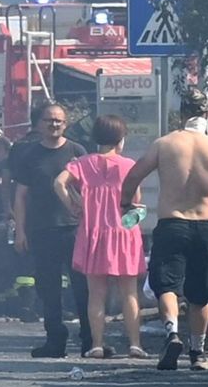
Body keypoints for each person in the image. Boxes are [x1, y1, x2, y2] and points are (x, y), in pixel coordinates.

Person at [122, 92, 208, 372]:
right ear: (207, 115)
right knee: (200, 293)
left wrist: (127, 204)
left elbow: (133, 176)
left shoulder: (165, 144)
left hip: (171, 223)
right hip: (203, 226)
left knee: (167, 285)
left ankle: (172, 333)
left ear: (181, 115)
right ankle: (198, 353)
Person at [57, 115, 146, 360]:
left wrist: (73, 205)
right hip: (123, 231)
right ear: (121, 139)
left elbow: (59, 183)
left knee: (96, 292)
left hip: (93, 231)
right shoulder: (129, 165)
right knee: (129, 291)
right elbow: (135, 200)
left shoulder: (82, 163)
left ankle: (96, 344)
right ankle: (135, 344)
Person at [13, 102, 90, 358]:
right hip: (42, 230)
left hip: (75, 229)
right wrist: (20, 231)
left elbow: (89, 191)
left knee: (82, 287)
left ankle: (90, 340)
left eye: (58, 120)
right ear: (39, 124)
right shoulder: (29, 156)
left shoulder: (77, 151)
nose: (54, 124)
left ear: (65, 123)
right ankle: (55, 340)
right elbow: (21, 196)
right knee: (49, 288)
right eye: (49, 120)